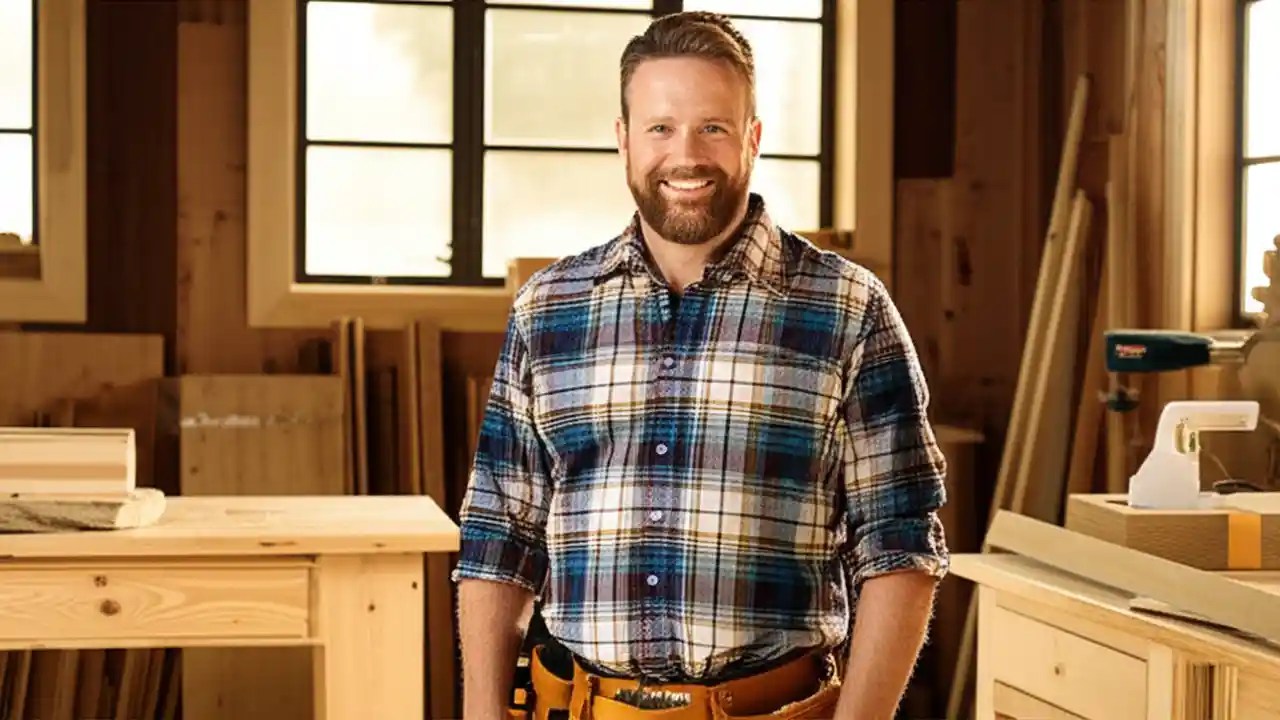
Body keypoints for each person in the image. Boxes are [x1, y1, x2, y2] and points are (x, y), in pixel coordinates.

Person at [452, 10, 949, 720]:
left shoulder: (847, 309)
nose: (685, 154)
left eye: (713, 127)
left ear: (752, 136)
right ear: (623, 139)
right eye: (660, 128)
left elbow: (901, 546)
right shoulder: (548, 311)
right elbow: (500, 538)